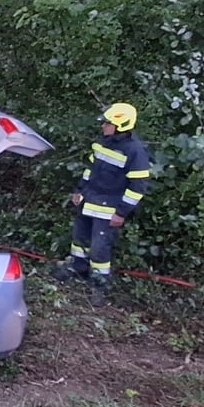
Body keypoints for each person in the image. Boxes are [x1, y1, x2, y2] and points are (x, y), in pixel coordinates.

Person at [51, 103, 152, 304]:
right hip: (88, 200)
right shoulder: (103, 143)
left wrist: (121, 213)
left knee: (100, 248)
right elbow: (90, 168)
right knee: (79, 239)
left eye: (108, 123)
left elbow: (138, 186)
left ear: (121, 126)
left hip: (109, 208)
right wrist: (79, 190)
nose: (103, 126)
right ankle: (77, 267)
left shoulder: (135, 151)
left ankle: (99, 284)